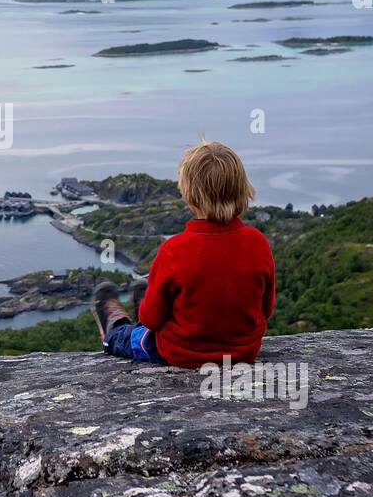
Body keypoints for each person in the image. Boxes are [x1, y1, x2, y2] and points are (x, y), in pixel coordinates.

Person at [93, 140, 275, 367]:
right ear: (242, 188)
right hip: (243, 353)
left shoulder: (174, 250)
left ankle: (114, 327)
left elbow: (153, 320)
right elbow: (265, 309)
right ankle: (145, 301)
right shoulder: (258, 243)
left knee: (129, 337)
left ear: (188, 194)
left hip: (181, 353)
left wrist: (148, 317)